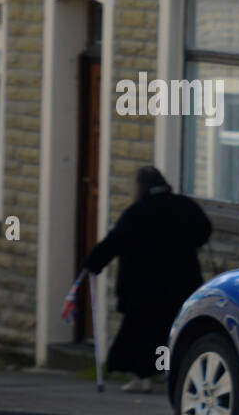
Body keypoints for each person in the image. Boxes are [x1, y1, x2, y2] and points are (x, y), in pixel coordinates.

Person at [83, 166, 212, 392]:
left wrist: (93, 263)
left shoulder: (137, 212)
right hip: (181, 283)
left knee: (141, 334)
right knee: (172, 329)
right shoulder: (184, 205)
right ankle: (170, 372)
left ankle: (141, 377)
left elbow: (115, 241)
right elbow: (204, 230)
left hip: (143, 289)